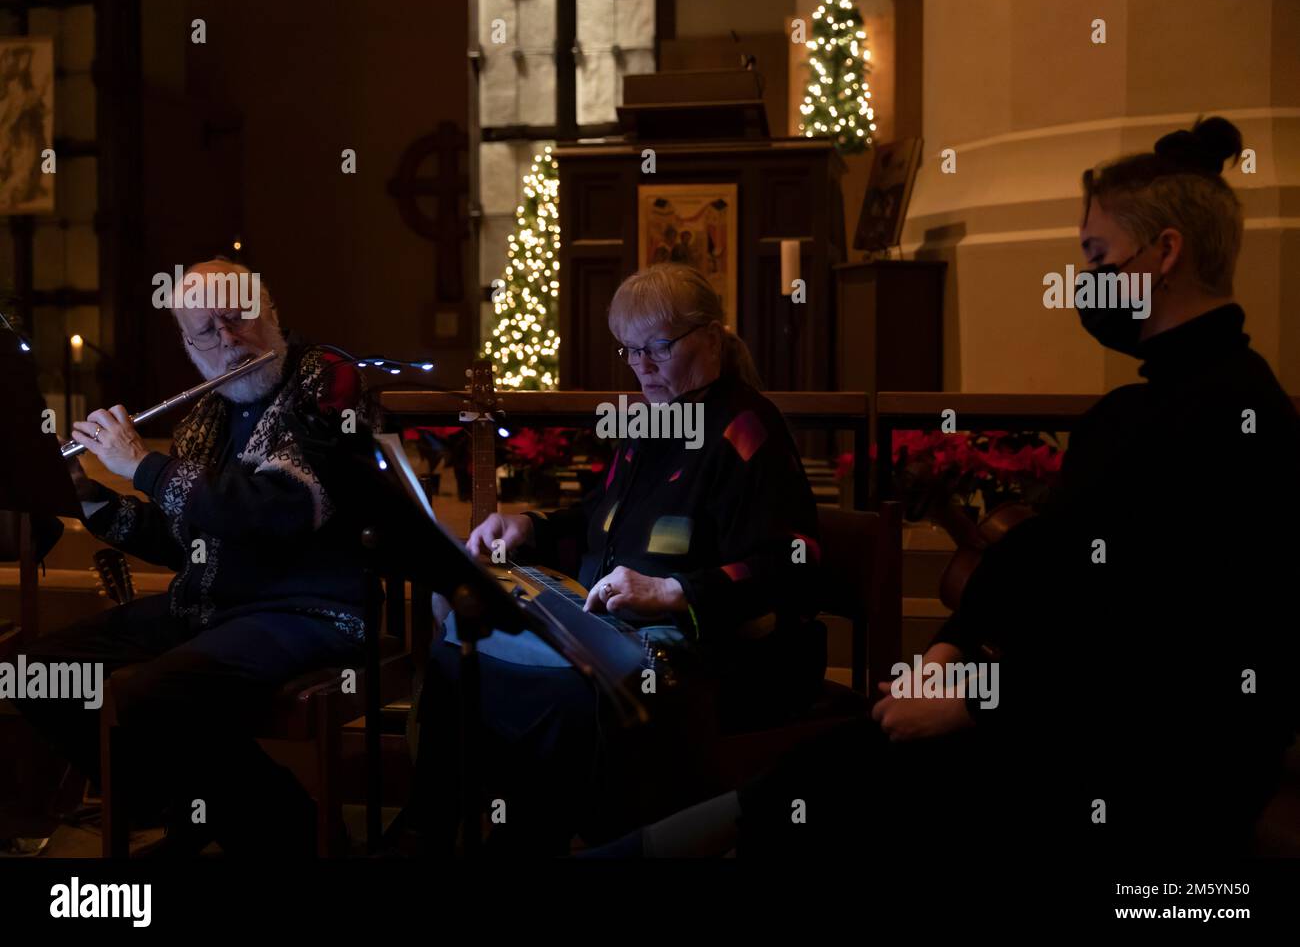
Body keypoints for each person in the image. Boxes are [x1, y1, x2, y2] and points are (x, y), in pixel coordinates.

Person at [588, 116, 1300, 859]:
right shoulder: (1142, 408)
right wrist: (949, 650)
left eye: (1095, 255)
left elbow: (1166, 647)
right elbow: (1041, 560)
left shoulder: (1232, 419)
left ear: (1165, 253)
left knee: (832, 795)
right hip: (1058, 710)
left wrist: (976, 702)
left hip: (1151, 761)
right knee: (819, 775)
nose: (1082, 279)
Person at [413, 261, 824, 855]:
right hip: (611, 627)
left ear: (711, 336)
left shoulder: (748, 426)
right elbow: (597, 523)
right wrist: (526, 525)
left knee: (554, 694)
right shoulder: (650, 421)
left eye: (657, 347)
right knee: (457, 650)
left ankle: (545, 841)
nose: (642, 367)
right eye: (629, 351)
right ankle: (439, 833)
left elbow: (794, 560)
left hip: (717, 652)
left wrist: (673, 591)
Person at [14, 258, 369, 856]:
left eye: (238, 316)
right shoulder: (207, 412)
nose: (228, 339)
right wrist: (88, 497)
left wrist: (145, 466)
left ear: (271, 312)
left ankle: (295, 833)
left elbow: (276, 511)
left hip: (308, 609)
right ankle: (185, 810)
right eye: (207, 329)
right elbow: (185, 538)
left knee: (160, 692)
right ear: (186, 343)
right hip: (213, 605)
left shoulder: (326, 379)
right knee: (37, 673)